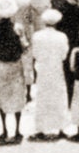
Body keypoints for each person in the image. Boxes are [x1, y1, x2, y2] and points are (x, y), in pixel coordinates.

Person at [0, 0, 30, 142]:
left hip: (1, 65)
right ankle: (17, 130)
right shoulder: (18, 28)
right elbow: (25, 46)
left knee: (1, 96)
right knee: (17, 95)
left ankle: (5, 131)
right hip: (15, 65)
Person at [29, 8, 71, 140]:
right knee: (59, 97)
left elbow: (34, 54)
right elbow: (64, 55)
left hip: (42, 69)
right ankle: (60, 127)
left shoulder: (37, 36)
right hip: (56, 69)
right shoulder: (62, 36)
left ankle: (41, 128)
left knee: (42, 97)